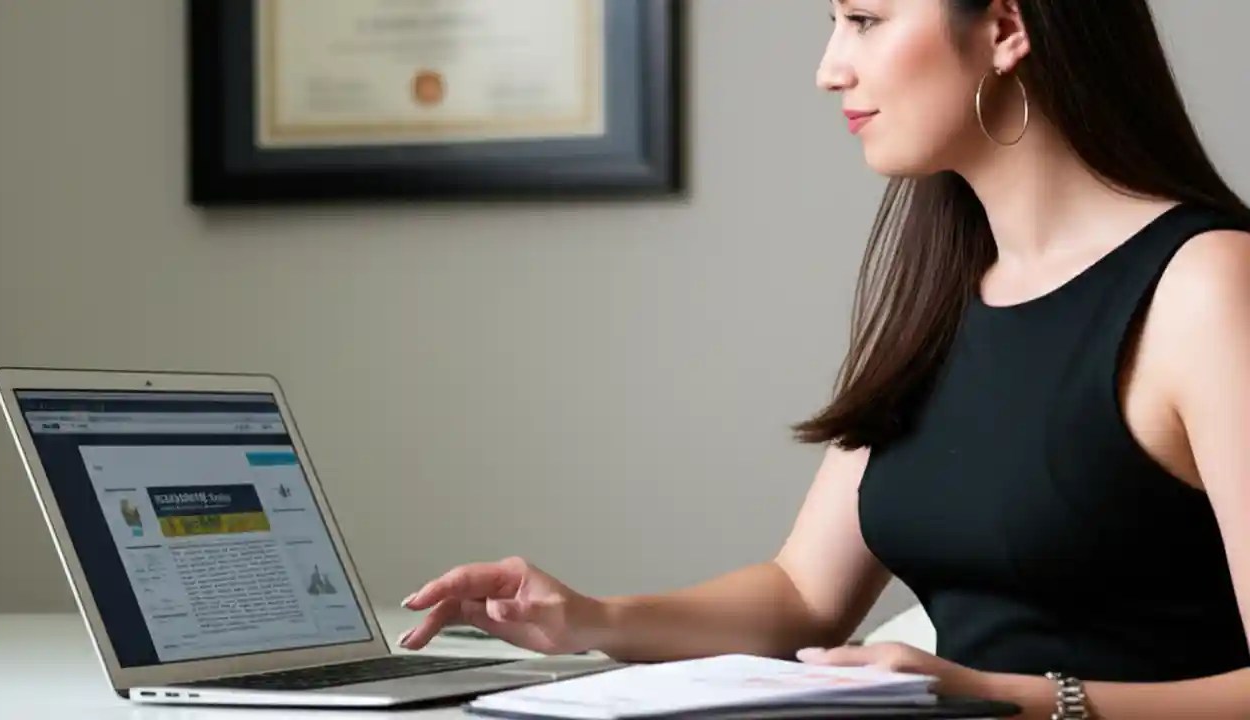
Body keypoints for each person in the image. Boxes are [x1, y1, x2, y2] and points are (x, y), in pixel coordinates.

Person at [399, 1, 1250, 717]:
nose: (830, 67)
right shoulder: (944, 292)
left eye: (865, 19)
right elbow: (802, 598)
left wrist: (1009, 695)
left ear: (1002, 29)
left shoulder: (1209, 284)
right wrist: (588, 617)